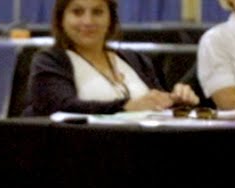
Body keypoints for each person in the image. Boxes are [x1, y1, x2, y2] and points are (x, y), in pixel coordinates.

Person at [26, 0, 199, 116]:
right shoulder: (49, 61)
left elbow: (158, 105)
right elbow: (61, 108)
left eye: (97, 12)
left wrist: (178, 102)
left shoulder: (135, 59)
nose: (87, 21)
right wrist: (125, 106)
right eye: (77, 12)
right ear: (61, 19)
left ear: (111, 18)